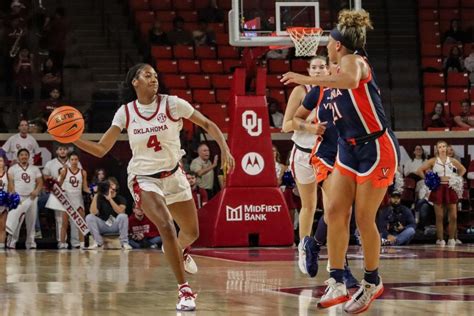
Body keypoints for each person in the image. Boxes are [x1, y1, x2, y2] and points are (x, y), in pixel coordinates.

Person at [71, 63, 234, 311]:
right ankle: (184, 291)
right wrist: (73, 138)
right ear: (134, 82)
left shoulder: (173, 104)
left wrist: (225, 149)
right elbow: (102, 148)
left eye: (155, 76)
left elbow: (208, 124)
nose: (154, 79)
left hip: (174, 175)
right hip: (143, 178)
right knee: (167, 226)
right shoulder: (125, 113)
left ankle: (180, 251)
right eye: (147, 75)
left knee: (191, 233)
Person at [282, 9, 400, 313]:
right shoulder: (327, 82)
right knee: (334, 211)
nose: (325, 45)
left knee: (363, 218)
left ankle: (372, 282)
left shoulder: (353, 61)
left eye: (329, 41)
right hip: (348, 149)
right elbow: (296, 118)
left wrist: (305, 77)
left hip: (375, 147)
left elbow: (348, 79)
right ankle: (335, 279)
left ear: (337, 45)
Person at [293, 62, 359, 288]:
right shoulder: (318, 91)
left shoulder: (355, 88)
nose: (337, 68)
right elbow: (294, 119)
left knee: (336, 212)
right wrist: (310, 128)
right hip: (325, 155)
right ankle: (341, 268)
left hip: (349, 154)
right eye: (334, 64)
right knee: (342, 209)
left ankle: (314, 243)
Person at [281, 56, 326, 275]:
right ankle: (303, 247)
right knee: (309, 205)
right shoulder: (300, 91)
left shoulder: (334, 90)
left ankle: (329, 250)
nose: (318, 70)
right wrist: (310, 127)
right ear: (308, 70)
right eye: (314, 67)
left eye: (322, 67)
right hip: (303, 153)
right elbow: (286, 125)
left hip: (326, 155)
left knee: (332, 207)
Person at [417, 140, 466, 247]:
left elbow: (463, 169)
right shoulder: (433, 161)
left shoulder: (452, 160)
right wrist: (428, 179)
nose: (442, 148)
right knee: (439, 216)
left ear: (447, 148)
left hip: (450, 188)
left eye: (444, 146)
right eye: (440, 147)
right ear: (437, 149)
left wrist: (456, 178)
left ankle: (452, 238)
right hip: (438, 188)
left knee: (453, 216)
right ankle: (440, 239)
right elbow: (419, 170)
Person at [43, 143, 81, 247]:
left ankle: (75, 242)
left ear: (67, 151)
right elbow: (45, 176)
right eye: (60, 149)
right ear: (57, 151)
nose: (63, 151)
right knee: (60, 219)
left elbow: (80, 174)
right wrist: (53, 182)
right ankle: (61, 241)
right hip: (58, 194)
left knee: (74, 218)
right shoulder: (51, 163)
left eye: (64, 149)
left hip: (73, 193)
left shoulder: (73, 161)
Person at [7, 149, 43, 249]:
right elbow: (10, 182)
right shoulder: (13, 169)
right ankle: (12, 242)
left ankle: (31, 243)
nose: (24, 156)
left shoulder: (35, 168)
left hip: (32, 198)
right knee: (16, 221)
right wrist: (13, 193)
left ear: (28, 156)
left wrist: (36, 191)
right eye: (22, 155)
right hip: (19, 198)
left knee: (31, 222)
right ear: (18, 157)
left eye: (26, 155)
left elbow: (40, 182)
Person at [85, 177, 130, 249]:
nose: (110, 187)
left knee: (123, 216)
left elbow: (120, 211)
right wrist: (96, 195)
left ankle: (124, 243)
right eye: (108, 185)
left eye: (112, 184)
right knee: (89, 217)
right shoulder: (100, 197)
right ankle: (98, 242)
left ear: (116, 186)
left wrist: (110, 199)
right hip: (103, 224)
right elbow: (93, 212)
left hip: (115, 224)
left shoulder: (120, 198)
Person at [57, 152, 90, 249]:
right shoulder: (65, 171)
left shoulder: (83, 172)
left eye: (76, 159)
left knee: (81, 223)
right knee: (64, 223)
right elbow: (58, 185)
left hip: (78, 199)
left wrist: (93, 191)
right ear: (69, 161)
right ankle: (62, 243)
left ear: (78, 160)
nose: (74, 161)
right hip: (67, 199)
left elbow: (84, 188)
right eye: (72, 159)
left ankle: (82, 243)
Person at [0, 156, 8, 249]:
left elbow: (10, 188)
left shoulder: (8, 174)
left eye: (1, 161)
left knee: (2, 225)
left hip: (4, 203)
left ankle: (1, 245)